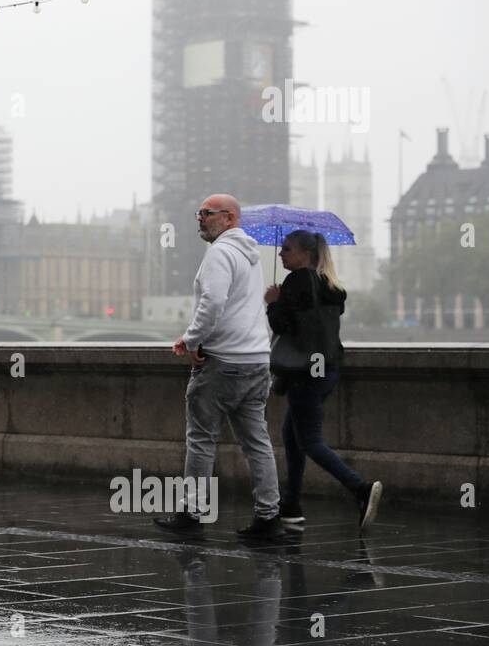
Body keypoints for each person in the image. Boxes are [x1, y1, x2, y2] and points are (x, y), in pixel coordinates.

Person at [154, 194, 284, 540]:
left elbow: (213, 302)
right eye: (199, 213)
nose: (199, 219)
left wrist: (192, 340)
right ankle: (269, 516)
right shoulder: (251, 255)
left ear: (228, 218)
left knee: (200, 440)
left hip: (224, 363)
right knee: (257, 443)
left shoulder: (220, 253)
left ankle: (192, 514)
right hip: (257, 361)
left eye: (206, 214)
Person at [266, 229, 381, 531]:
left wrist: (273, 301)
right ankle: (290, 507)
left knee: (311, 442)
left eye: (286, 249)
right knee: (291, 436)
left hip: (303, 372)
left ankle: (361, 488)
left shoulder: (296, 281)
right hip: (327, 369)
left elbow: (282, 325)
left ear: (306, 253)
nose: (281, 254)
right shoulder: (331, 284)